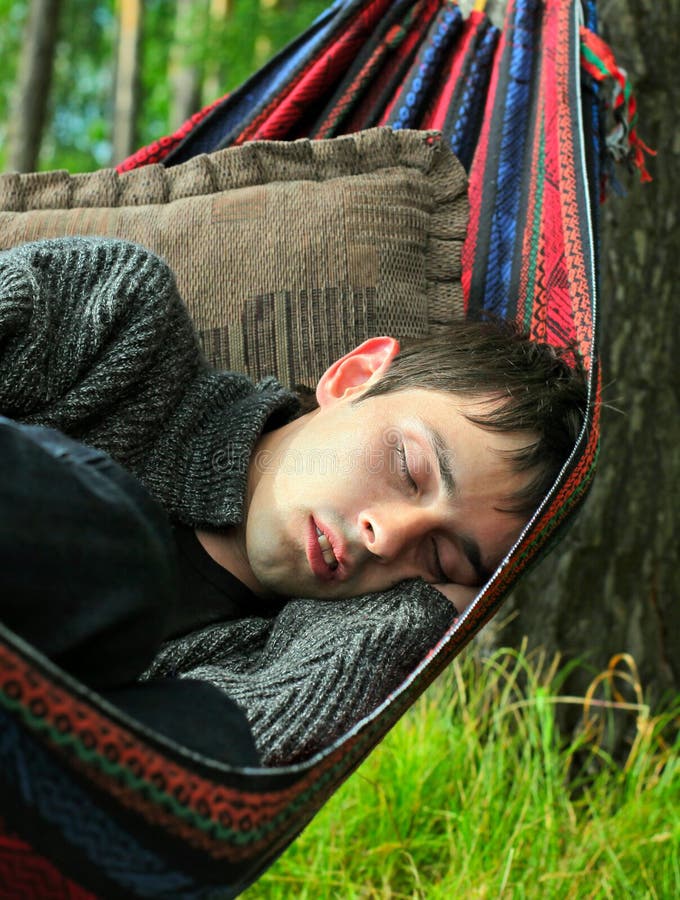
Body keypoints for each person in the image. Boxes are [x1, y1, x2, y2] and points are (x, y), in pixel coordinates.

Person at [0, 236, 586, 766]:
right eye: (409, 469)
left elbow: (184, 788)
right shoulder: (125, 318)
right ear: (353, 376)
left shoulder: (252, 670)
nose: (388, 536)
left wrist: (411, 618)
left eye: (439, 559)